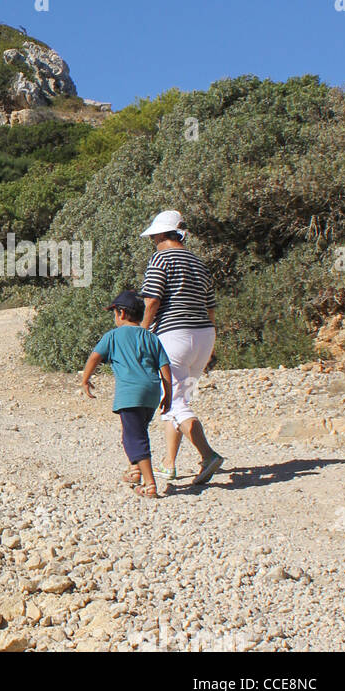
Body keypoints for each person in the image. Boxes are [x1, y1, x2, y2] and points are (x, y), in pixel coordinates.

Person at [139, 209, 225, 489]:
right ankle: (170, 463)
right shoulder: (199, 262)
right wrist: (210, 344)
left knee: (175, 401)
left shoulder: (160, 259)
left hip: (173, 335)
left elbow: (152, 299)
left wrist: (142, 331)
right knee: (178, 400)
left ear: (162, 234)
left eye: (154, 236)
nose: (153, 241)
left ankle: (208, 454)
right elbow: (210, 306)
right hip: (204, 335)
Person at [80, 289, 173, 498]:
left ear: (121, 313)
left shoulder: (112, 336)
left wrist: (85, 380)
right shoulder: (150, 337)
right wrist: (168, 394)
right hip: (151, 393)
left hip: (130, 393)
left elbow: (95, 357)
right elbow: (165, 367)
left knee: (134, 437)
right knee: (134, 432)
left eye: (114, 313)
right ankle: (134, 470)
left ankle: (150, 485)